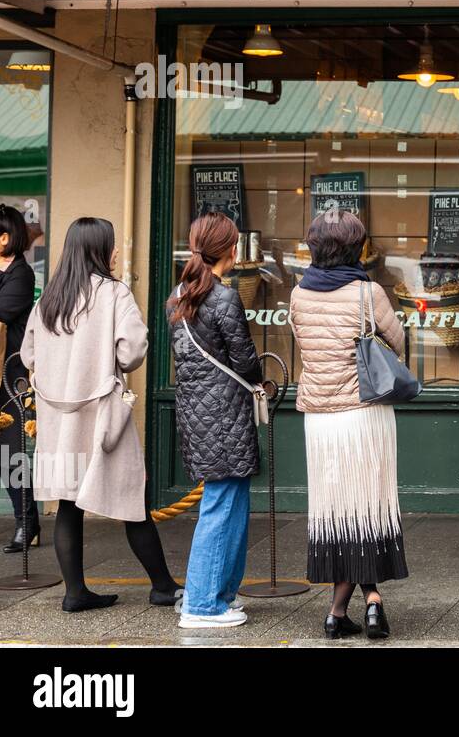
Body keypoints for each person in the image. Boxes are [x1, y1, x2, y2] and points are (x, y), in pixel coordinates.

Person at [21, 217, 183, 612]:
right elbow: (131, 352)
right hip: (102, 416)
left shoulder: (48, 300)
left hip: (59, 419)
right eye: (111, 244)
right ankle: (162, 585)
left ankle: (75, 592)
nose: (115, 251)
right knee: (131, 500)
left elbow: (28, 356)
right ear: (98, 249)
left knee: (68, 505)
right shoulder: (114, 294)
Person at [289, 209, 408, 639]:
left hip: (320, 418)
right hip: (364, 413)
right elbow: (397, 341)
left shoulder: (298, 293)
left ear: (316, 245)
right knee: (369, 505)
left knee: (338, 509)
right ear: (357, 247)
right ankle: (371, 600)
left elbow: (304, 346)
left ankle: (340, 611)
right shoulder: (367, 292)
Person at [169, 213, 264, 629]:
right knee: (222, 507)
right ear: (231, 247)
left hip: (197, 412)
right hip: (225, 414)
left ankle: (220, 595)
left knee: (230, 504)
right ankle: (202, 605)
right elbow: (244, 359)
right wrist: (261, 380)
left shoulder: (179, 295)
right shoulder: (223, 297)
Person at [0, 205, 39, 552]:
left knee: (7, 453)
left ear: (5, 238)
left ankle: (26, 521)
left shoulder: (20, 274)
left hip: (5, 376)